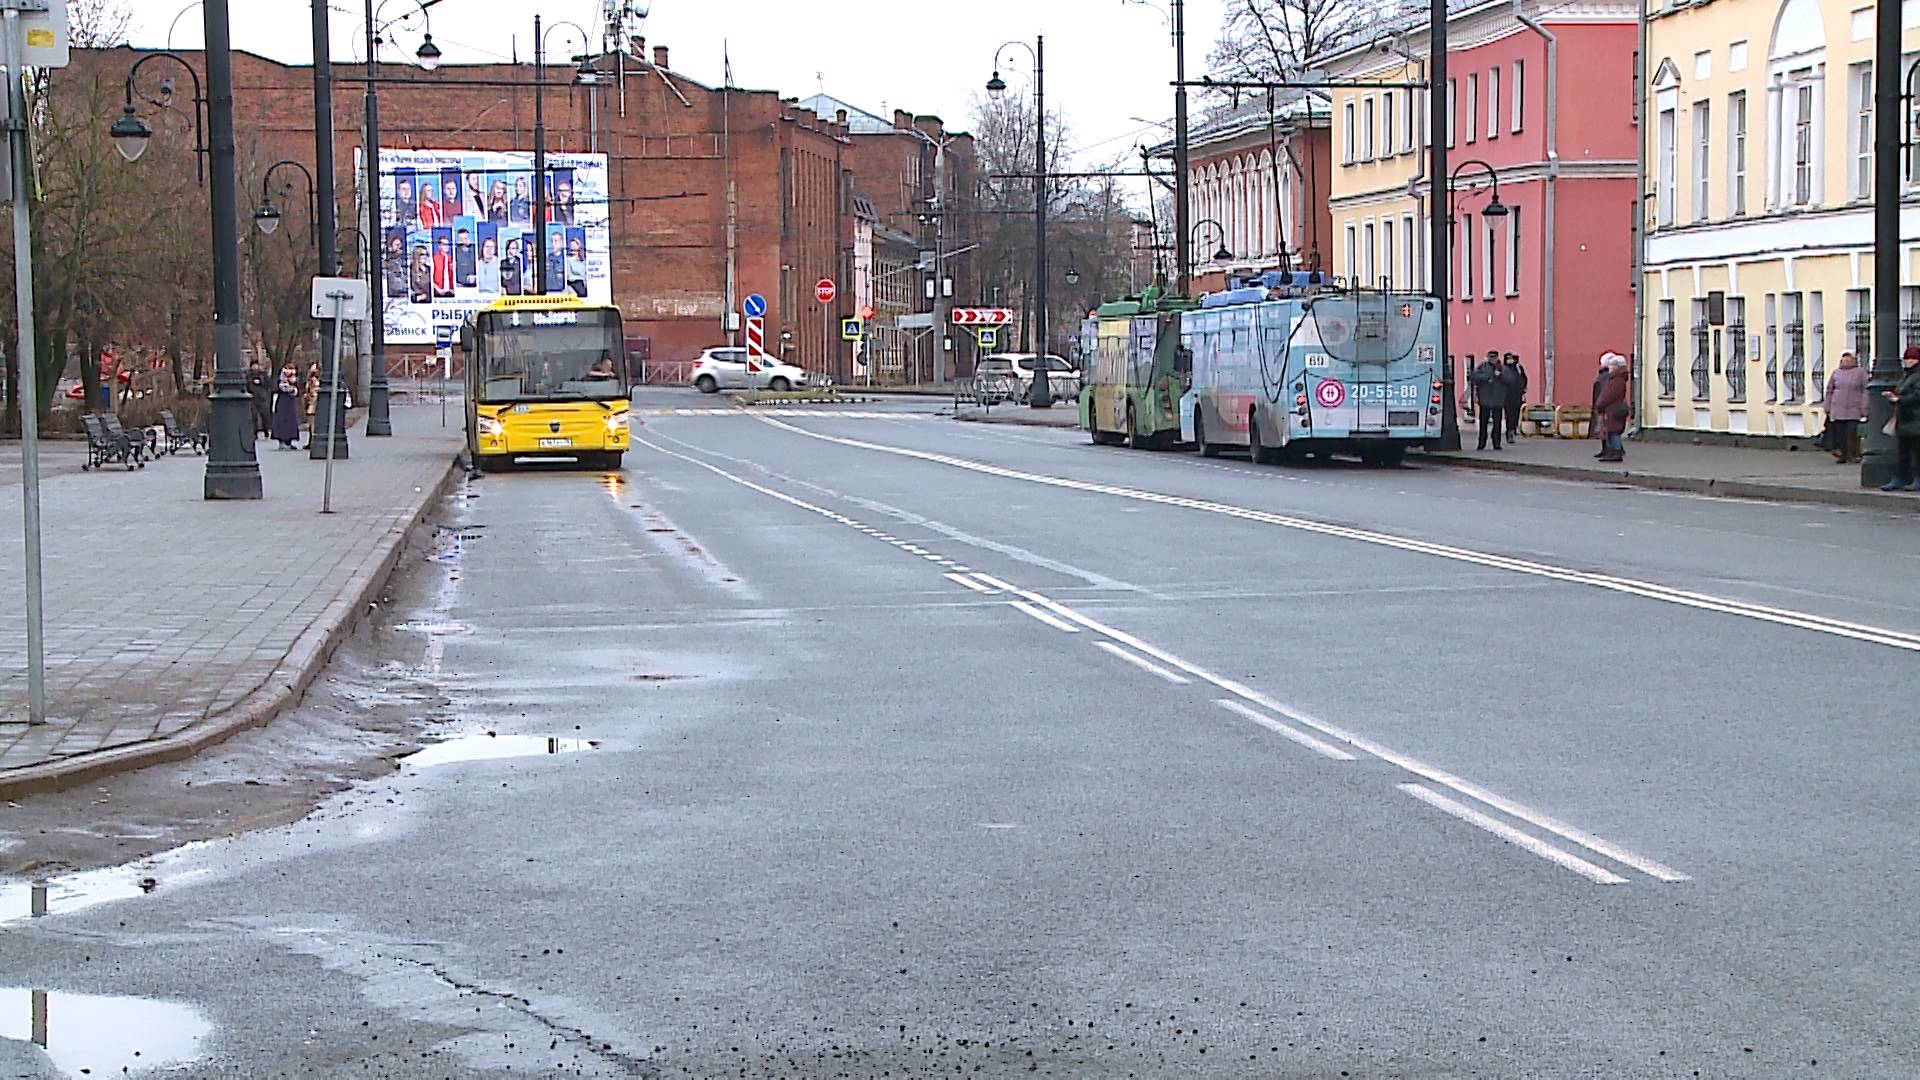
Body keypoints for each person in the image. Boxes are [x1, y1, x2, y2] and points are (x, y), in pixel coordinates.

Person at [1880, 345, 1920, 491]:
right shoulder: (1906, 376)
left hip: (1915, 419)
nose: (1909, 361)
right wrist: (1893, 396)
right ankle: (1899, 479)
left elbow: (1917, 395)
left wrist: (1899, 399)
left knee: (1916, 451)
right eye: (1907, 358)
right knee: (1902, 452)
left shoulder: (1916, 376)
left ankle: (1915, 479)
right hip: (1904, 419)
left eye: (1912, 358)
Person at [1823, 350, 1868, 464]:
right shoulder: (1836, 373)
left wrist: (1864, 406)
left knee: (1851, 433)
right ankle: (1843, 455)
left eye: (1849, 358)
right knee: (1840, 433)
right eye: (1845, 357)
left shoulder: (1860, 373)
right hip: (1838, 408)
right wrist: (1827, 405)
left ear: (1854, 359)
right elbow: (1829, 390)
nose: (1847, 360)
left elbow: (1865, 390)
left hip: (1854, 407)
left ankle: (1852, 455)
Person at [1468, 350, 1508, 450]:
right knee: (1483, 423)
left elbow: (1510, 380)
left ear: (1497, 357)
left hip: (1498, 399)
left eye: (1494, 357)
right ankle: (1482, 442)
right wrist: (1487, 378)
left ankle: (1496, 442)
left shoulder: (1502, 368)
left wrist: (1500, 375)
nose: (1492, 359)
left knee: (1497, 423)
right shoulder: (1483, 366)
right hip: (1485, 399)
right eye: (1491, 357)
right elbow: (1473, 376)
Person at [1595, 354, 1631, 462]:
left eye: (1612, 365)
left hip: (1613, 410)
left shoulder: (1616, 380)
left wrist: (1600, 403)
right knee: (1611, 431)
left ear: (1617, 366)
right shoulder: (1617, 379)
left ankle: (1616, 452)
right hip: (1612, 409)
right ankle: (1612, 452)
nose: (1609, 367)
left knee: (1613, 432)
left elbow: (1609, 395)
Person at [269, 361, 302, 450]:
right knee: (281, 420)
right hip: (281, 402)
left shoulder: (295, 380)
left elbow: (299, 390)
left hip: (290, 402)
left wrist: (292, 390)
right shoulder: (279, 379)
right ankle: (281, 441)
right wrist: (282, 387)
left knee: (291, 421)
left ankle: (289, 441)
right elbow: (275, 389)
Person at [1501, 352, 1529, 441]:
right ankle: (1509, 431)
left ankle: (1514, 428)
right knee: (1509, 413)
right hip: (1507, 395)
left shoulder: (1518, 368)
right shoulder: (1503, 369)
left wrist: (1523, 387)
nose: (1510, 361)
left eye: (1511, 359)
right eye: (1508, 359)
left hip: (1517, 394)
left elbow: (1524, 378)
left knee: (1517, 412)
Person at [245, 359, 271, 437]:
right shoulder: (248, 375)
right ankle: (255, 432)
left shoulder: (263, 374)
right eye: (253, 365)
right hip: (252, 397)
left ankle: (266, 430)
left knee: (265, 415)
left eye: (256, 365)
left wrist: (261, 382)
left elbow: (268, 384)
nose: (255, 367)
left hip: (262, 397)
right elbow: (246, 385)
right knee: (254, 416)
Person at [383, 231, 408, 296]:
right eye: (397, 245)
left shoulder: (403, 262)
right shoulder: (385, 264)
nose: (399, 248)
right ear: (389, 247)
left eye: (400, 245)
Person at [302, 365, 320, 450]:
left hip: (313, 404)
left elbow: (312, 392)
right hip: (311, 403)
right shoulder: (312, 381)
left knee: (312, 424)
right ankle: (311, 441)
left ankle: (312, 441)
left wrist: (308, 398)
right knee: (311, 424)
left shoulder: (313, 381)